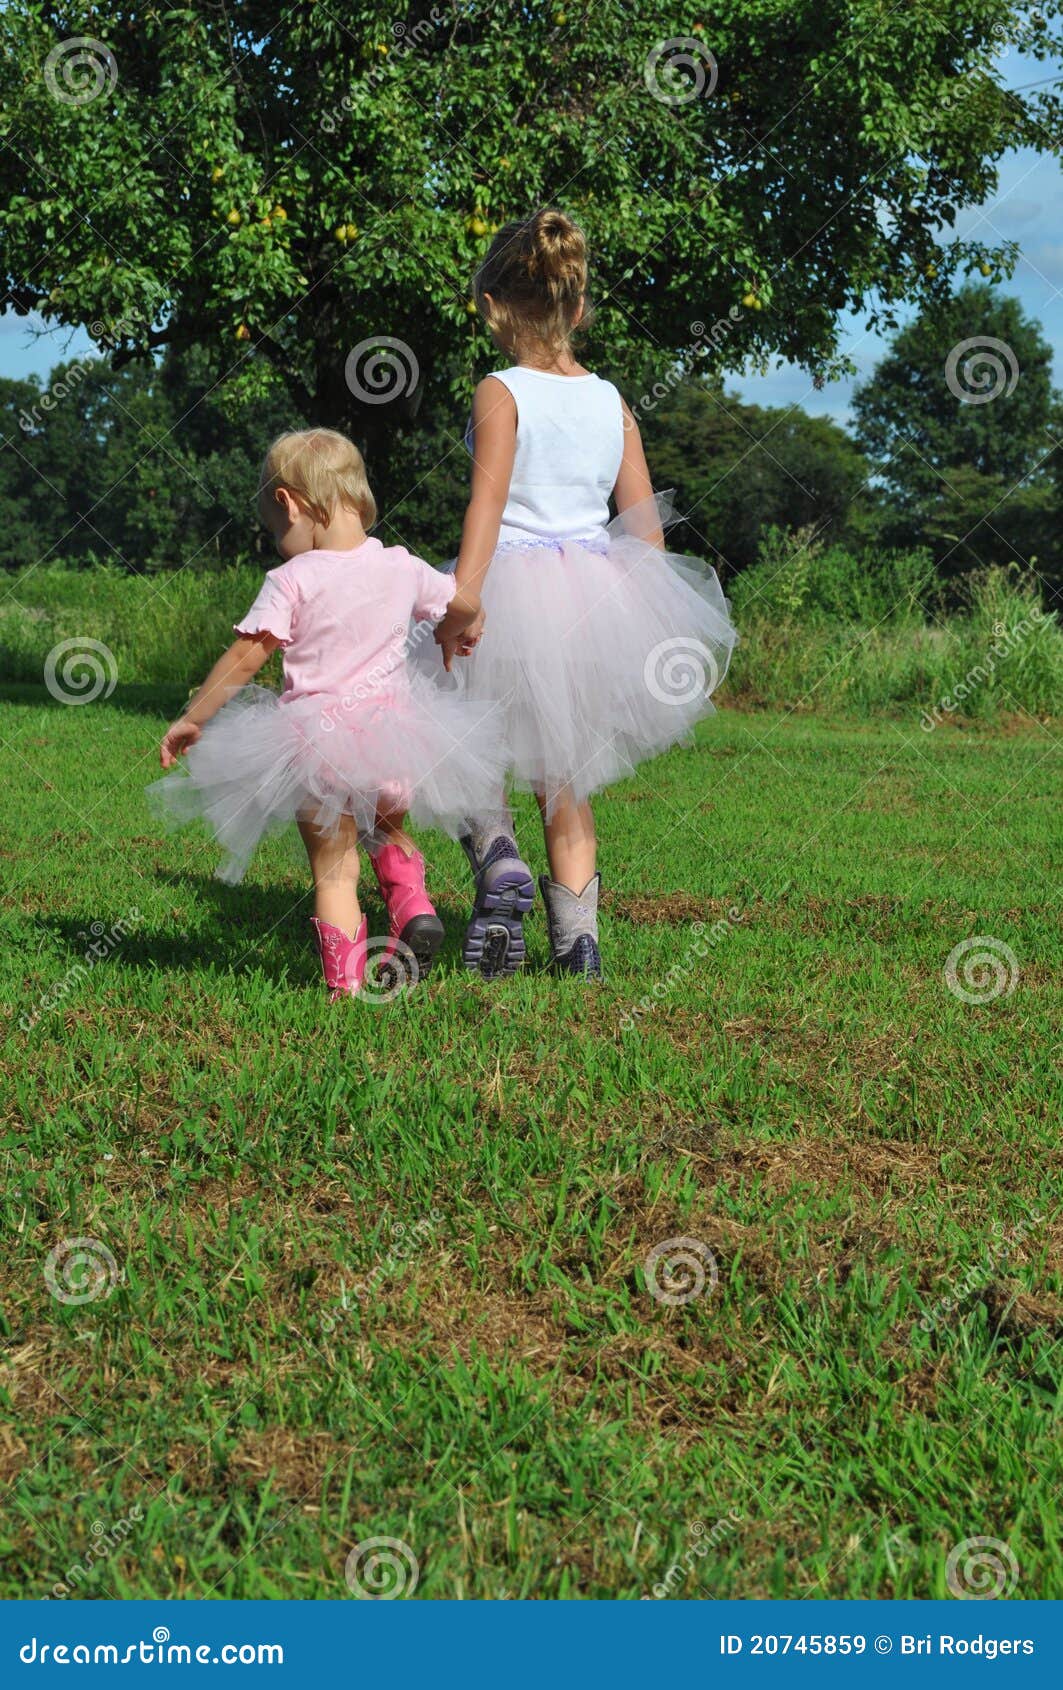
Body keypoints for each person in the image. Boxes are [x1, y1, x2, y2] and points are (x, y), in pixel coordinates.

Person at [440, 209, 738, 981]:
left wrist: (463, 600)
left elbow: (487, 503)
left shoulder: (499, 390)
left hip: (504, 585)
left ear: (494, 307)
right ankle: (578, 943)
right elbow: (643, 531)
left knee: (464, 742)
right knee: (563, 775)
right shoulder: (611, 400)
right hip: (591, 599)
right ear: (577, 307)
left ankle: (498, 863)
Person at [149, 428, 503, 999]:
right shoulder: (401, 564)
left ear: (290, 502)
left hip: (319, 746)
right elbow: (463, 601)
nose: (277, 542)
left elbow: (245, 656)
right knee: (390, 830)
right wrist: (466, 627)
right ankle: (413, 903)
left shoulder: (292, 579)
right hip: (396, 738)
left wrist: (195, 716)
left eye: (274, 527)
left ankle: (346, 986)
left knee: (335, 869)